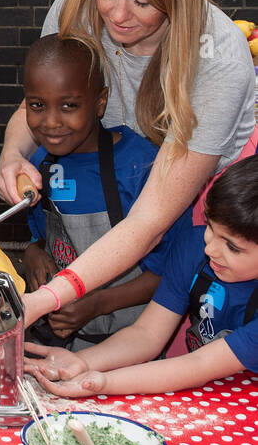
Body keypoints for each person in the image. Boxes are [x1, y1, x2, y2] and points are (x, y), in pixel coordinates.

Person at [0, 0, 256, 328]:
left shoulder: (219, 56)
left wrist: (49, 298)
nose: (118, 14)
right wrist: (11, 154)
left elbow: (151, 219)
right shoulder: (73, 9)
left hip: (200, 210)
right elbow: (35, 104)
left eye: (143, 1)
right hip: (109, 182)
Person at [19, 35, 200, 348]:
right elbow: (43, 238)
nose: (50, 122)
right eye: (37, 105)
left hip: (129, 345)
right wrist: (32, 253)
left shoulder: (142, 167)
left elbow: (170, 271)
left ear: (100, 102)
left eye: (68, 106)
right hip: (59, 345)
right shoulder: (40, 165)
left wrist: (96, 304)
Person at [24, 155, 258, 396]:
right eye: (210, 226)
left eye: (232, 247)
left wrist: (105, 383)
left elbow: (198, 365)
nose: (210, 249)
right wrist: (83, 362)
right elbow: (147, 334)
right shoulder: (194, 247)